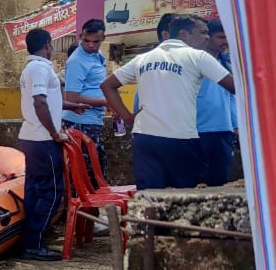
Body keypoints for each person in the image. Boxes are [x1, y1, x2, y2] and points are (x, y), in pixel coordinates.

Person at [100, 14, 236, 190]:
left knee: (149, 198)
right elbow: (236, 87)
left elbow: (107, 85)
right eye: (202, 32)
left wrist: (126, 116)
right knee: (186, 199)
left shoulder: (144, 58)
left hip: (145, 138)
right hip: (180, 138)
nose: (207, 37)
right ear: (184, 34)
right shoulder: (198, 57)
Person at [18, 28, 90, 261]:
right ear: (47, 45)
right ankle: (34, 243)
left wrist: (69, 106)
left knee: (35, 190)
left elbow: (48, 101)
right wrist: (55, 132)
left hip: (34, 137)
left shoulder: (34, 67)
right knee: (52, 190)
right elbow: (39, 102)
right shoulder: (39, 68)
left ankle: (31, 239)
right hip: (42, 138)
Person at [61, 19, 110, 175]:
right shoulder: (77, 61)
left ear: (103, 38)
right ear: (81, 36)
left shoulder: (97, 55)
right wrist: (106, 102)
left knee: (96, 170)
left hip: (92, 120)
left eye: (95, 41)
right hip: (80, 122)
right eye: (86, 41)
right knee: (87, 174)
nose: (90, 45)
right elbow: (72, 97)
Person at [195, 19, 239, 186]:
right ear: (207, 38)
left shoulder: (227, 63)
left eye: (226, 37)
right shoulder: (193, 61)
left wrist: (235, 125)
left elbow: (231, 96)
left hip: (223, 131)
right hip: (198, 130)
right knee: (197, 183)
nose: (225, 42)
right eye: (220, 37)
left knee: (220, 181)